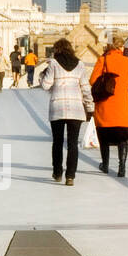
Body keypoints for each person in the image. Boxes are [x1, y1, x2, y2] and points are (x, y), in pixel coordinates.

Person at [37, 38, 93, 185]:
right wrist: (90, 107)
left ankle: (57, 173)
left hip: (58, 108)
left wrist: (42, 75)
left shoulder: (54, 63)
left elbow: (46, 86)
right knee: (73, 143)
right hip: (76, 109)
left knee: (57, 142)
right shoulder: (80, 64)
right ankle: (70, 176)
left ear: (57, 50)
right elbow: (86, 88)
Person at [90, 35, 128, 176]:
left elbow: (92, 80)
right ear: (120, 47)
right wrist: (123, 86)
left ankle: (105, 165)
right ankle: (121, 168)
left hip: (105, 105)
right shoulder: (127, 61)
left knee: (104, 137)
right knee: (122, 138)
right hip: (122, 104)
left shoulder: (103, 60)